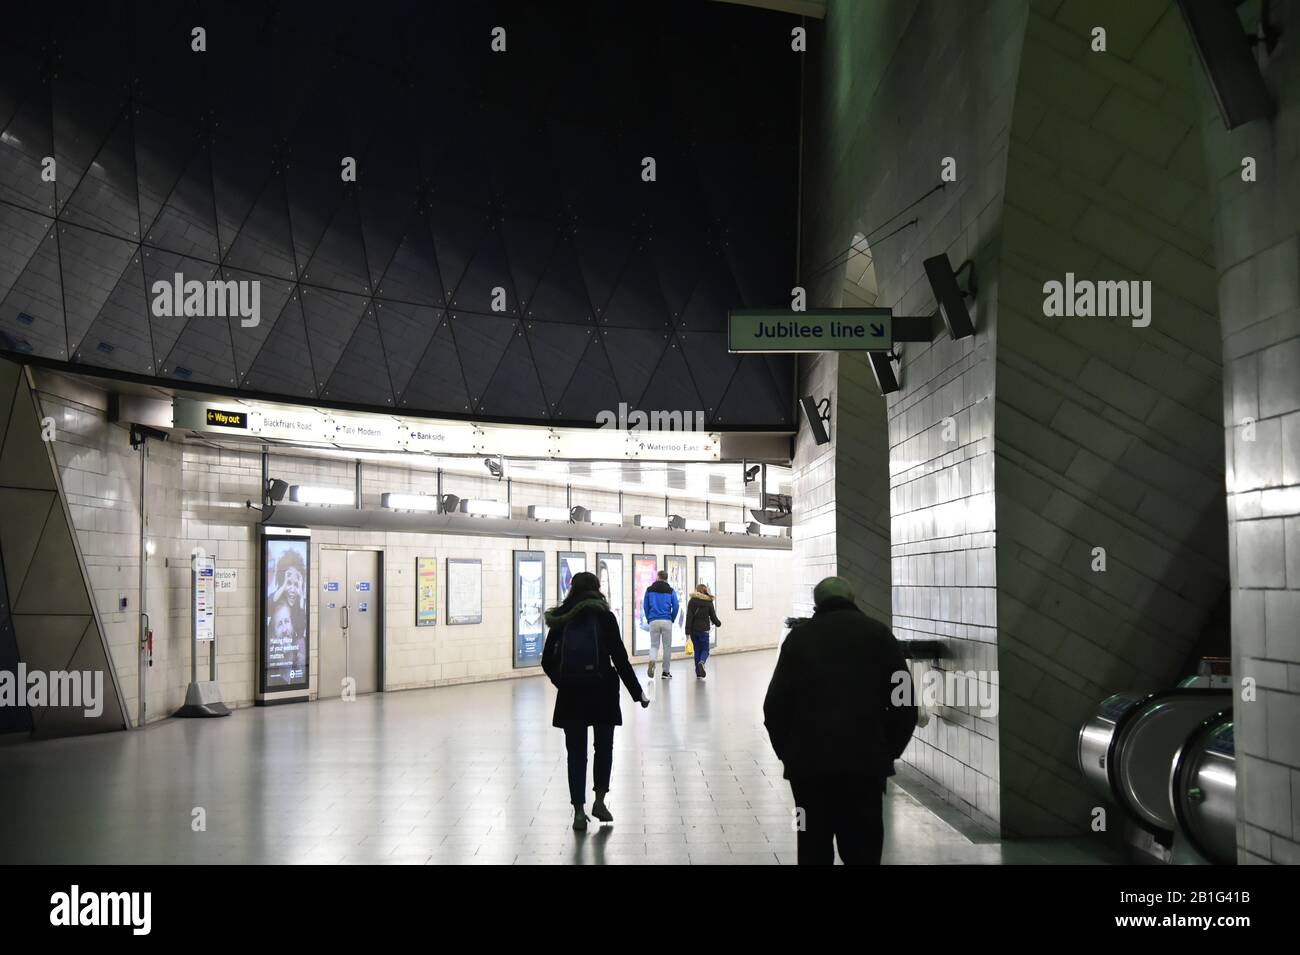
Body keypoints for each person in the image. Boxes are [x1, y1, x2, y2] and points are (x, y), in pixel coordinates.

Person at [763, 576, 917, 865]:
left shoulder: (799, 639)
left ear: (817, 603)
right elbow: (905, 703)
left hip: (808, 771)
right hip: (865, 767)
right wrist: (886, 751)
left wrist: (790, 754)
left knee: (811, 845)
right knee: (863, 848)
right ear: (852, 598)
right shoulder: (879, 635)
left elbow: (775, 707)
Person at [541, 571, 649, 831]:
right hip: (602, 692)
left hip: (571, 695)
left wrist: (563, 681)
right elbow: (620, 659)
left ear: (572, 589)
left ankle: (578, 811)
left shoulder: (561, 619)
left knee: (576, 753)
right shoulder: (605, 617)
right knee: (604, 748)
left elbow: (547, 661)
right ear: (597, 589)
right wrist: (638, 694)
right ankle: (600, 801)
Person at [642, 570, 679, 679]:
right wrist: (672, 618)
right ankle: (665, 672)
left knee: (654, 645)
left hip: (653, 620)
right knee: (667, 647)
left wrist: (649, 618)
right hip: (666, 620)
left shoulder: (649, 590)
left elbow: (645, 605)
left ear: (658, 577)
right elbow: (676, 606)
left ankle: (652, 660)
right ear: (666, 578)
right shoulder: (671, 591)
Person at [684, 583, 721, 679]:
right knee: (705, 650)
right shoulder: (709, 602)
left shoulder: (692, 601)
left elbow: (689, 617)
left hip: (694, 630)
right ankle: (702, 662)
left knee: (697, 650)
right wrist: (718, 623)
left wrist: (687, 631)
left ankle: (698, 673)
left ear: (697, 590)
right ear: (705, 591)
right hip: (704, 630)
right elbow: (713, 616)